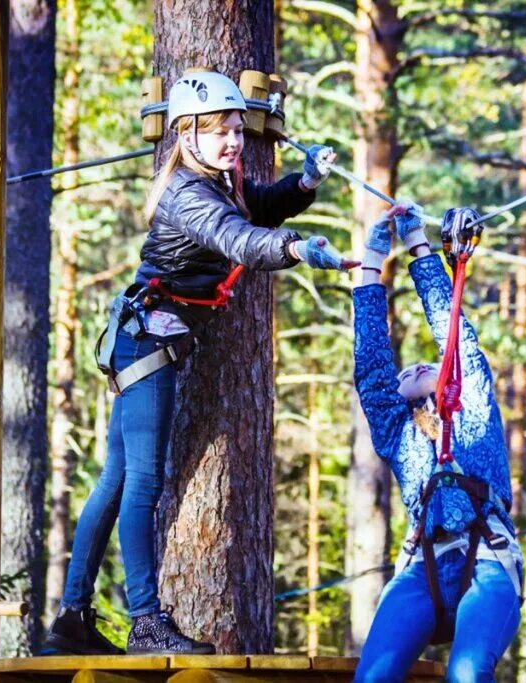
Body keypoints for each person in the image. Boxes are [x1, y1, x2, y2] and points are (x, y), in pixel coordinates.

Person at [46, 70, 356, 656]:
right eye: (220, 133)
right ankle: (144, 622)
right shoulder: (188, 194)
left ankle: (70, 619)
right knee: (142, 483)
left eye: (237, 131)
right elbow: (238, 237)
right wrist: (295, 248)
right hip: (148, 345)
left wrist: (307, 181)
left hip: (146, 341)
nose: (234, 143)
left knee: (116, 481)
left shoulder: (220, 180)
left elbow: (256, 207)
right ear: (187, 135)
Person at [351, 204, 523, 682]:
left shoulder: (474, 410)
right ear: (400, 394)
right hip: (425, 566)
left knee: (466, 674)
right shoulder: (398, 433)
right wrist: (371, 261)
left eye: (429, 365)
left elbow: (455, 337)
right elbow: (371, 365)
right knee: (372, 678)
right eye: (409, 372)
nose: (420, 368)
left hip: (487, 556)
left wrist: (420, 246)